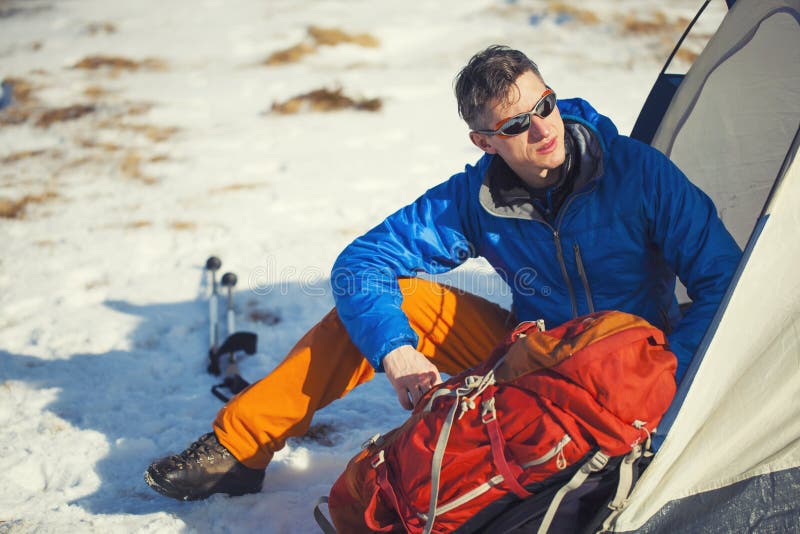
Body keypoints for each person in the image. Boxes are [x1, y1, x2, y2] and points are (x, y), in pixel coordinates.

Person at [144, 45, 742, 501]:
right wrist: (396, 351)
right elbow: (361, 265)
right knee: (390, 302)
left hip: (637, 364)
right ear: (484, 140)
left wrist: (671, 380)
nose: (543, 129)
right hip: (535, 357)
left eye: (545, 105)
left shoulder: (638, 172)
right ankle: (238, 450)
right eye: (516, 125)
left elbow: (724, 281)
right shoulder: (473, 198)